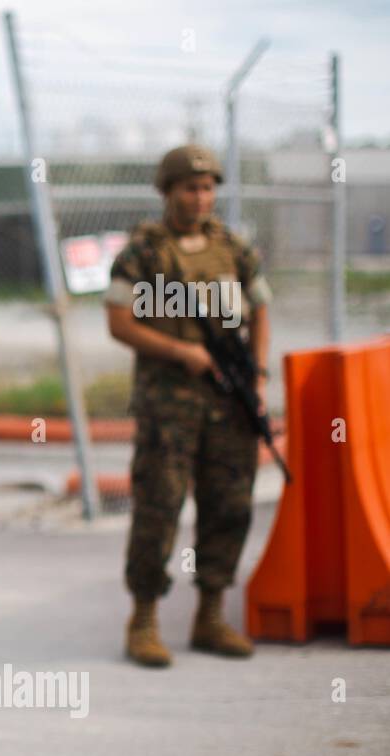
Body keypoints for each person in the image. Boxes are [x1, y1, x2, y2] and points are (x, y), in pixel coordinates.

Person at [104, 143, 273, 667]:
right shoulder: (143, 254)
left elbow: (261, 310)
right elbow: (119, 322)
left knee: (229, 504)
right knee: (160, 505)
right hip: (168, 401)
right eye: (189, 188)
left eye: (207, 188)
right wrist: (183, 352)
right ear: (168, 191)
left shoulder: (235, 249)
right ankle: (144, 619)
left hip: (229, 399)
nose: (200, 198)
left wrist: (258, 376)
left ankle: (211, 616)